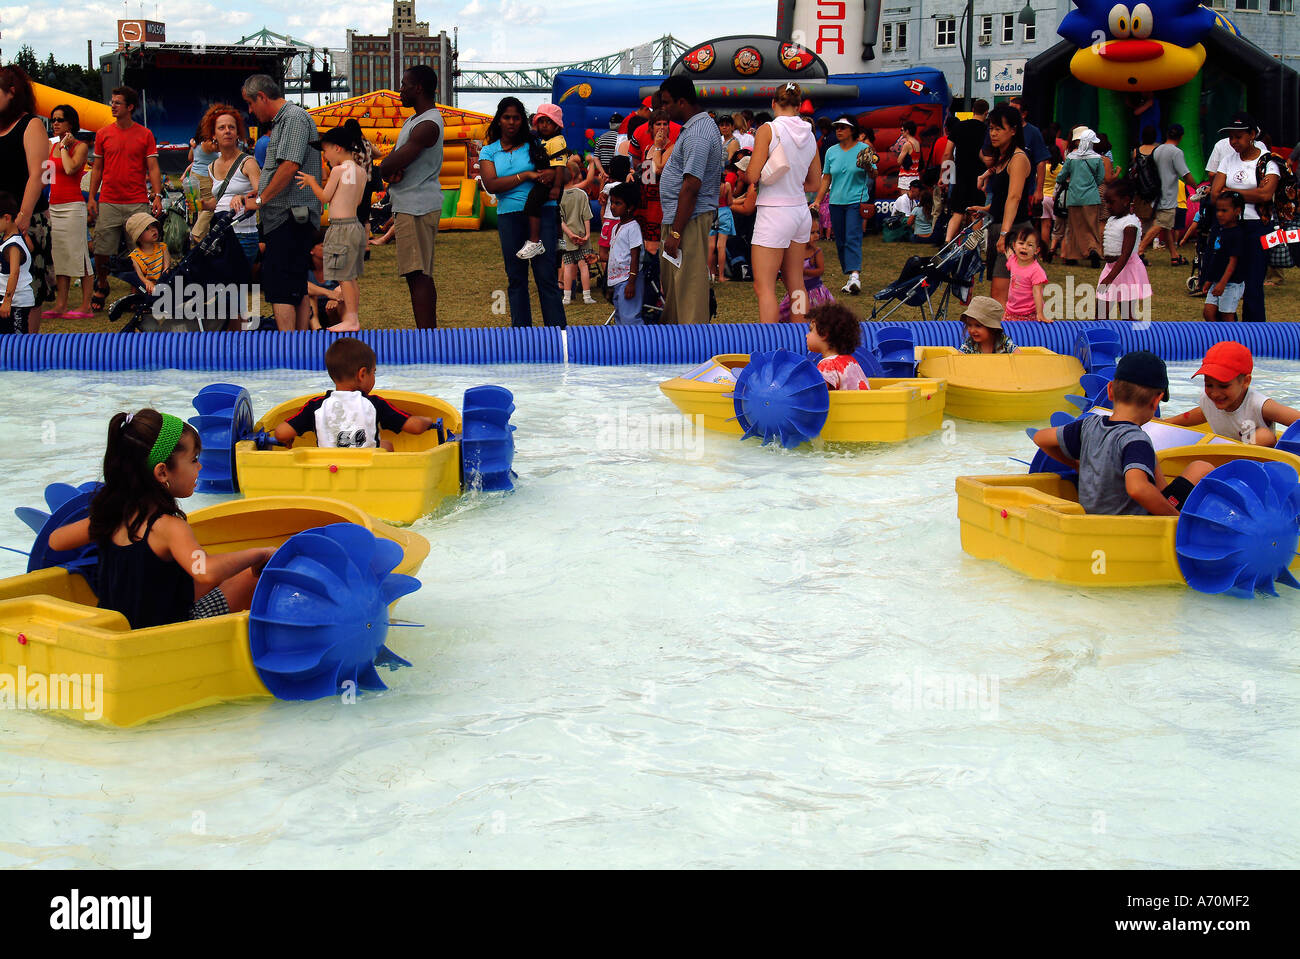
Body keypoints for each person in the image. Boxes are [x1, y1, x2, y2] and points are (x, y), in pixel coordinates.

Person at [47, 411, 276, 629]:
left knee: (206, 574)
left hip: (117, 629)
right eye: (194, 459)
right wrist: (259, 553)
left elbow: (56, 541)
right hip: (166, 634)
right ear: (162, 472)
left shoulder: (113, 515)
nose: (200, 467)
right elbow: (204, 569)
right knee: (250, 577)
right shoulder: (169, 526)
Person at [1033, 351, 1214, 516]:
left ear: (1110, 391)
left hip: (1091, 517)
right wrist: (1175, 519)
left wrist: (1076, 465)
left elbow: (1040, 438)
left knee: (1152, 460)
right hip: (1135, 524)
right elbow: (1137, 488)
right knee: (1200, 467)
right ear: (1156, 401)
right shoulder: (1136, 440)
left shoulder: (1088, 425)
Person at [239, 75, 322, 331]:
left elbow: (289, 166)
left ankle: (287, 349)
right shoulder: (287, 120)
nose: (250, 111)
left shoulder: (293, 118)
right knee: (294, 285)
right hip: (288, 216)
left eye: (251, 104)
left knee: (280, 286)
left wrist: (262, 199)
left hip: (290, 217)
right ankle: (298, 346)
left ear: (262, 97)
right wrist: (261, 192)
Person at [479, 96, 566, 328]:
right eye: (506, 117)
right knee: (516, 278)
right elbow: (491, 184)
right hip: (509, 217)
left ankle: (558, 334)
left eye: (516, 118)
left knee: (546, 276)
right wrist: (526, 176)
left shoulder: (537, 144)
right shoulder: (489, 151)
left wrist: (552, 176)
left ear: (522, 121)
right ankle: (522, 337)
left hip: (541, 214)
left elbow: (564, 168)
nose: (511, 122)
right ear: (498, 120)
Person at [274, 338, 439, 451]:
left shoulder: (316, 406)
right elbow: (415, 427)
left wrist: (287, 439)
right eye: (373, 372)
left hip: (328, 470)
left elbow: (280, 433)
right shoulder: (374, 404)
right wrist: (428, 420)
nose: (374, 377)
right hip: (366, 471)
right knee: (386, 446)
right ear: (362, 374)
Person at [373, 65, 443, 329]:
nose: (400, 90)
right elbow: (392, 164)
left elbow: (389, 164)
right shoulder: (415, 121)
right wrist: (389, 168)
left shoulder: (427, 124)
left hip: (416, 206)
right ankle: (427, 335)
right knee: (418, 273)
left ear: (419, 88)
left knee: (418, 274)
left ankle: (426, 338)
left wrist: (387, 168)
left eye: (404, 84)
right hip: (411, 203)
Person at [744, 80, 820, 325]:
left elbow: (753, 176)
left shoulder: (768, 129)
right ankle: (801, 336)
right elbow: (814, 183)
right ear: (799, 106)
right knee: (796, 283)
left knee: (764, 287)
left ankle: (769, 344)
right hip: (799, 211)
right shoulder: (810, 134)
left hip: (774, 211)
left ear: (774, 103)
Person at [85, 85, 163, 315]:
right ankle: (102, 283)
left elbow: (153, 167)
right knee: (101, 248)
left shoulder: (145, 134)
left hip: (137, 200)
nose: (112, 105)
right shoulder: (102, 134)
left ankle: (135, 290)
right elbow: (97, 169)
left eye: (117, 102)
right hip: (109, 200)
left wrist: (157, 195)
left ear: (130, 107)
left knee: (139, 250)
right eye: (112, 101)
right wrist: (92, 197)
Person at [658, 74, 724, 325]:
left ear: (682, 102)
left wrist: (676, 233)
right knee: (675, 289)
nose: (663, 109)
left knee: (689, 291)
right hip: (680, 219)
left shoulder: (699, 133)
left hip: (688, 220)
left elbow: (691, 186)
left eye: (666, 103)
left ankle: (693, 352)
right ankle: (675, 347)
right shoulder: (694, 129)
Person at [295, 120, 369, 332]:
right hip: (355, 225)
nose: (324, 155)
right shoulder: (361, 172)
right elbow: (356, 201)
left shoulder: (338, 171)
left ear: (337, 148)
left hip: (340, 227)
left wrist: (311, 182)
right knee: (350, 276)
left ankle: (352, 318)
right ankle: (352, 316)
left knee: (343, 275)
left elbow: (325, 197)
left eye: (325, 150)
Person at [0, 66, 55, 325]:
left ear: (11, 92)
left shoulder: (30, 125)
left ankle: (29, 348)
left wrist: (22, 215)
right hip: (3, 217)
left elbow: (39, 175)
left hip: (26, 217)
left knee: (29, 287)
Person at [1210, 113, 1278, 322]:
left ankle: (1255, 332)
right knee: (1224, 278)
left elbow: (1266, 194)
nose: (1234, 142)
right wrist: (1248, 194)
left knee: (1253, 283)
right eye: (1231, 137)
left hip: (1258, 226)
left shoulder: (1268, 161)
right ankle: (1226, 329)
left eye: (1238, 137)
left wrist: (1231, 192)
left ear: (1252, 135)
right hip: (1230, 227)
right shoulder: (1228, 160)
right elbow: (1215, 193)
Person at [1165, 342, 1300, 446]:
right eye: (1209, 385)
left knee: (1264, 435)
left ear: (1246, 381)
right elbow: (1203, 413)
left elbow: (1297, 420)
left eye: (1224, 386)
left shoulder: (1260, 405)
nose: (1215, 393)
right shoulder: (1208, 399)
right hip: (1229, 458)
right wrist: (1167, 423)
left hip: (1262, 464)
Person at [975, 104, 1032, 305]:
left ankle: (1005, 334)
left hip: (1014, 232)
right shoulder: (1002, 159)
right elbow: (1001, 200)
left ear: (1014, 130)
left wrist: (1004, 234)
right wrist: (984, 210)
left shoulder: (1018, 159)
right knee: (999, 295)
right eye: (991, 128)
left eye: (999, 129)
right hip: (1001, 228)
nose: (993, 133)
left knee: (1001, 297)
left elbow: (1014, 198)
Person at [44, 103, 94, 320]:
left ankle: (86, 305)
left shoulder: (80, 146)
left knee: (80, 254)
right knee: (60, 255)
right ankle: (61, 304)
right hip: (54, 204)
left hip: (73, 206)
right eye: (53, 119)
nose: (55, 123)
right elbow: (47, 176)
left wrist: (64, 147)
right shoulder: (51, 146)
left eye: (59, 119)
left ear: (70, 123)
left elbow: (70, 168)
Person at [809, 116, 870, 294]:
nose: (839, 130)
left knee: (852, 236)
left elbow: (873, 174)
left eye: (843, 127)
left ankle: (855, 276)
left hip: (856, 200)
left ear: (852, 130)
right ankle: (850, 274)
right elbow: (826, 177)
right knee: (841, 240)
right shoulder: (831, 151)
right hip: (836, 201)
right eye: (837, 127)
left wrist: (869, 166)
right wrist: (818, 201)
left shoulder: (864, 148)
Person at [204, 104, 261, 267]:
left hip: (243, 235)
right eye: (221, 127)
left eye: (231, 127)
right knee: (224, 289)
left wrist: (243, 197)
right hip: (220, 235)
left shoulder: (248, 162)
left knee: (234, 287)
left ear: (237, 134)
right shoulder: (211, 167)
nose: (227, 131)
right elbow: (219, 201)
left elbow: (262, 196)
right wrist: (203, 205)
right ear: (214, 134)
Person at [1137, 124, 1197, 265]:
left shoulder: (1157, 150)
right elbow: (1185, 174)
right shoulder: (1176, 152)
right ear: (1181, 137)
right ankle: (1139, 250)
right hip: (1169, 195)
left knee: (1166, 226)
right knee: (1161, 223)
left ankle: (1174, 256)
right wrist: (1197, 188)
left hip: (1156, 194)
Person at [516, 103, 568, 259]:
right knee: (556, 211)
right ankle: (559, 240)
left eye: (549, 122)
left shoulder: (557, 141)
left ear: (557, 125)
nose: (544, 125)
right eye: (541, 121)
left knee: (532, 204)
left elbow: (559, 167)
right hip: (546, 181)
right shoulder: (542, 139)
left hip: (550, 183)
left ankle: (534, 241)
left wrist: (556, 187)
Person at [1097, 179, 1150, 321]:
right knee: (1100, 313)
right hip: (1111, 268)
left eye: (1111, 202)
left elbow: (1125, 255)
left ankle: (1133, 340)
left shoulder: (1130, 224)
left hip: (1126, 271)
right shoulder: (1113, 219)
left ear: (1126, 201)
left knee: (1127, 315)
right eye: (1106, 202)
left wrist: (1110, 278)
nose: (1107, 206)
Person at [1057, 127, 1106, 267]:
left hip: (1074, 197)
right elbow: (1100, 178)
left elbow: (1061, 176)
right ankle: (1093, 249)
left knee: (1075, 227)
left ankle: (1072, 255)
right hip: (1092, 198)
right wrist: (1091, 186)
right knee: (1092, 226)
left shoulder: (1072, 158)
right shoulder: (1097, 158)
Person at [943, 98, 989, 243]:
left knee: (957, 213)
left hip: (960, 175)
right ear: (986, 113)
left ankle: (947, 242)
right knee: (976, 213)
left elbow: (947, 153)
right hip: (979, 178)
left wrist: (946, 177)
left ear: (972, 111)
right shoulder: (987, 131)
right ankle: (974, 246)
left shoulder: (959, 127)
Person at [1198, 192, 1245, 322]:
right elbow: (1216, 258)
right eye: (1218, 210)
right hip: (1216, 280)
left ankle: (1232, 340)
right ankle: (1218, 338)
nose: (1219, 214)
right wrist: (1209, 279)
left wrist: (1223, 283)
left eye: (1224, 211)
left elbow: (1233, 261)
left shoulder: (1237, 234)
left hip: (1231, 283)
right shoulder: (1219, 230)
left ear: (1237, 211)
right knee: (1208, 312)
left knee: (1227, 315)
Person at [777, 212, 833, 322]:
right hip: (797, 290)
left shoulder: (816, 252)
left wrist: (804, 271)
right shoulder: (795, 252)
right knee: (782, 315)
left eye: (817, 232)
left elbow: (820, 270)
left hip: (814, 292)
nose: (816, 236)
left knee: (815, 319)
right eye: (812, 233)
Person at [558, 155, 596, 305]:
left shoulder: (558, 196)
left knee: (567, 266)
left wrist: (570, 234)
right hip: (582, 236)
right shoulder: (582, 194)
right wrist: (586, 235)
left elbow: (560, 220)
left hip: (568, 238)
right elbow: (586, 216)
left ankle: (566, 297)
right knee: (583, 265)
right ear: (574, 176)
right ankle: (587, 296)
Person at [805, 302, 868, 391]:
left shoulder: (827, 365)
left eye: (811, 330)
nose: (807, 335)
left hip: (844, 405)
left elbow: (819, 394)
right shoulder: (851, 361)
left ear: (824, 334)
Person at [605, 183, 644, 325]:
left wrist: (632, 282)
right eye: (612, 202)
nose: (613, 206)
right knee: (620, 317)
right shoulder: (616, 227)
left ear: (630, 207)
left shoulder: (633, 227)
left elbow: (635, 255)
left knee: (630, 318)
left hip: (628, 280)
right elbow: (615, 255)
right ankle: (624, 346)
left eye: (618, 203)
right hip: (617, 281)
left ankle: (638, 345)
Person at [0, 191, 34, 334]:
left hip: (16, 302)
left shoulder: (13, 246)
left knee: (17, 339)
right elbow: (31, 248)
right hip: (9, 299)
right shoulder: (11, 238)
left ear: (7, 218)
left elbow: (15, 272)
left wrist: (7, 301)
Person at [1003, 224, 1049, 323]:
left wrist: (1040, 313)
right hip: (1010, 311)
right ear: (1014, 246)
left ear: (1036, 250)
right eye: (1021, 243)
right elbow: (1007, 251)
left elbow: (1037, 293)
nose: (1024, 247)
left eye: (1030, 245)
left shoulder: (1036, 271)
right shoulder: (1013, 261)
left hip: (1029, 314)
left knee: (1026, 336)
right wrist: (1005, 238)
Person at [124, 212, 168, 295]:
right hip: (145, 286)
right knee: (139, 287)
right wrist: (147, 282)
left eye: (154, 226)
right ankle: (137, 302)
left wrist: (166, 274)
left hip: (164, 282)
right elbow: (139, 276)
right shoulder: (134, 257)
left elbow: (167, 268)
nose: (153, 230)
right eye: (147, 229)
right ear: (138, 237)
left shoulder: (163, 247)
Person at [709, 171, 735, 283]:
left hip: (712, 213)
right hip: (724, 213)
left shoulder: (708, 184)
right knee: (721, 246)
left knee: (710, 246)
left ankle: (710, 275)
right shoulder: (726, 186)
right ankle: (721, 276)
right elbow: (730, 202)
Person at [1040, 143, 1063, 259]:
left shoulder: (1043, 166)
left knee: (1045, 225)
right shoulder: (1060, 168)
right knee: (1059, 227)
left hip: (1043, 198)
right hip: (1055, 199)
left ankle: (1044, 251)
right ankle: (1054, 250)